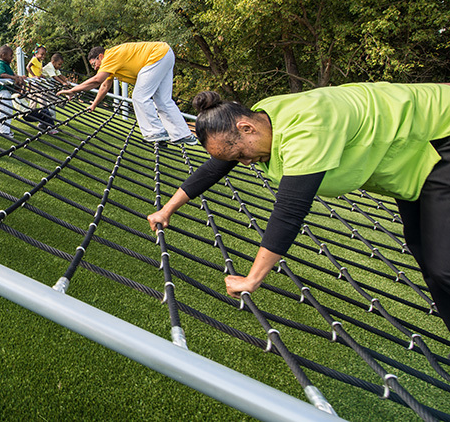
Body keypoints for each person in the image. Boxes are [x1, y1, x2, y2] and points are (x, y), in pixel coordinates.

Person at [146, 83, 450, 332]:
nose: (245, 163)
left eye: (241, 155)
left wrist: (252, 278)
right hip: (411, 161)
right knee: (424, 250)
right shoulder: (266, 116)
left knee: (443, 267)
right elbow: (215, 168)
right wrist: (167, 210)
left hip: (439, 133)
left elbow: (290, 211)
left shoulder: (307, 132)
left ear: (246, 127)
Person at [58, 42, 197, 145]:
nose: (96, 68)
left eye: (95, 64)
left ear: (100, 56)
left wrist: (71, 90)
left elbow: (96, 81)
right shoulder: (112, 63)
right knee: (163, 100)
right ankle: (183, 134)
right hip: (165, 54)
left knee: (139, 96)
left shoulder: (109, 57)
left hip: (157, 55)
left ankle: (155, 132)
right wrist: (94, 105)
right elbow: (104, 85)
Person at [0, 45, 26, 139]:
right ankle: (4, 131)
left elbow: (12, 73)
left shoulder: (6, 64)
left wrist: (19, 77)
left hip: (6, 92)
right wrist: (13, 78)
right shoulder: (1, 64)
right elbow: (2, 75)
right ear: (3, 55)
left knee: (8, 110)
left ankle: (4, 128)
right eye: (11, 55)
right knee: (5, 110)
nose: (12, 58)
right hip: (2, 92)